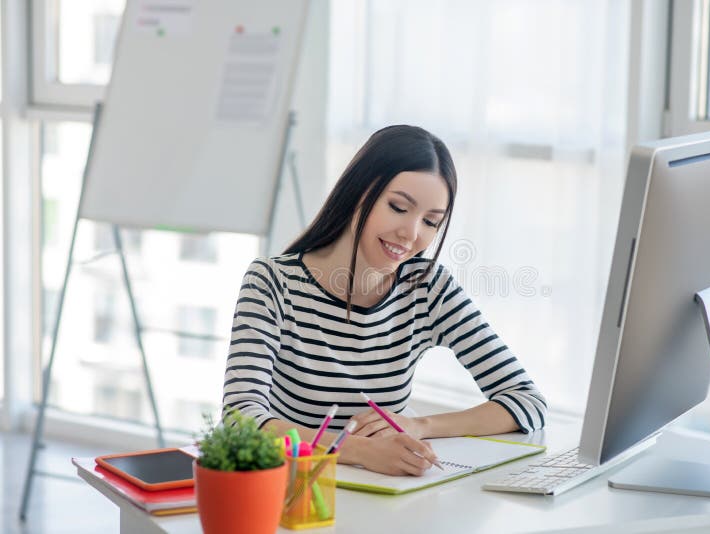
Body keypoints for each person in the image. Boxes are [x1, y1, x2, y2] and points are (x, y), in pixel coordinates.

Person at [223, 125, 546, 476]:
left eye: (431, 222)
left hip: (387, 496)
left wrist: (418, 425)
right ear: (359, 192)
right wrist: (357, 450)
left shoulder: (429, 288)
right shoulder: (272, 282)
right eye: (398, 207)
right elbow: (240, 419)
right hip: (298, 498)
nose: (411, 234)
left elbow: (526, 401)